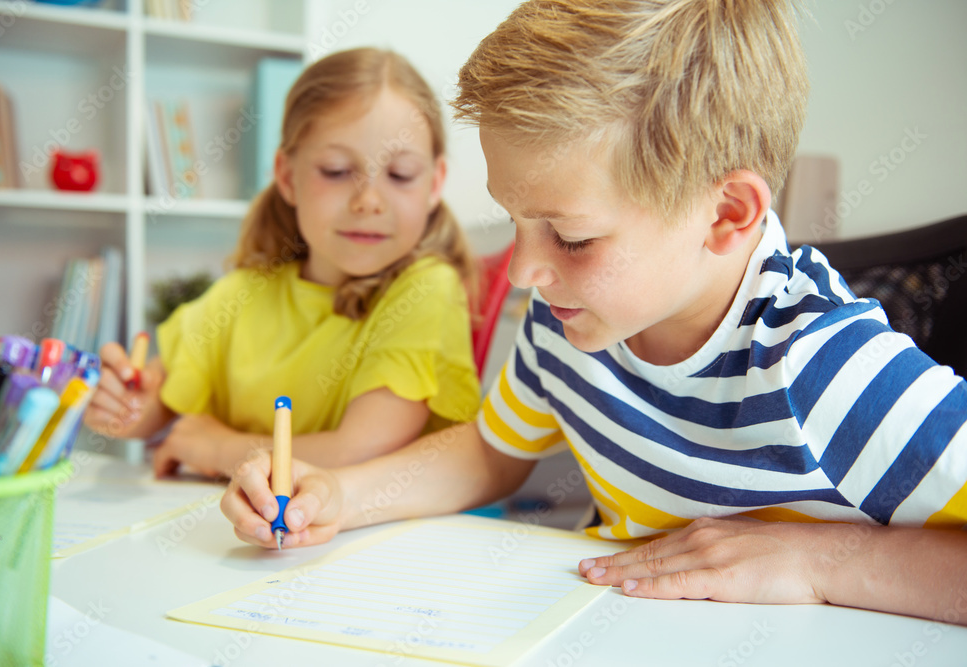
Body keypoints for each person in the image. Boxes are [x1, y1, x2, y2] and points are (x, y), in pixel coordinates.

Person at [220, 1, 967, 624]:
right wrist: (339, 494)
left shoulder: (824, 365)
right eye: (515, 220)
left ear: (726, 214)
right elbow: (490, 452)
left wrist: (819, 561)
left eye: (571, 237)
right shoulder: (569, 318)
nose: (522, 273)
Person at [84, 48, 481, 479]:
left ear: (434, 184)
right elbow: (151, 405)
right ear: (288, 177)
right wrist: (121, 404)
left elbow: (360, 452)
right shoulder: (242, 294)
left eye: (400, 174)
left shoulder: (428, 289)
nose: (368, 201)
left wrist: (222, 449)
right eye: (336, 171)